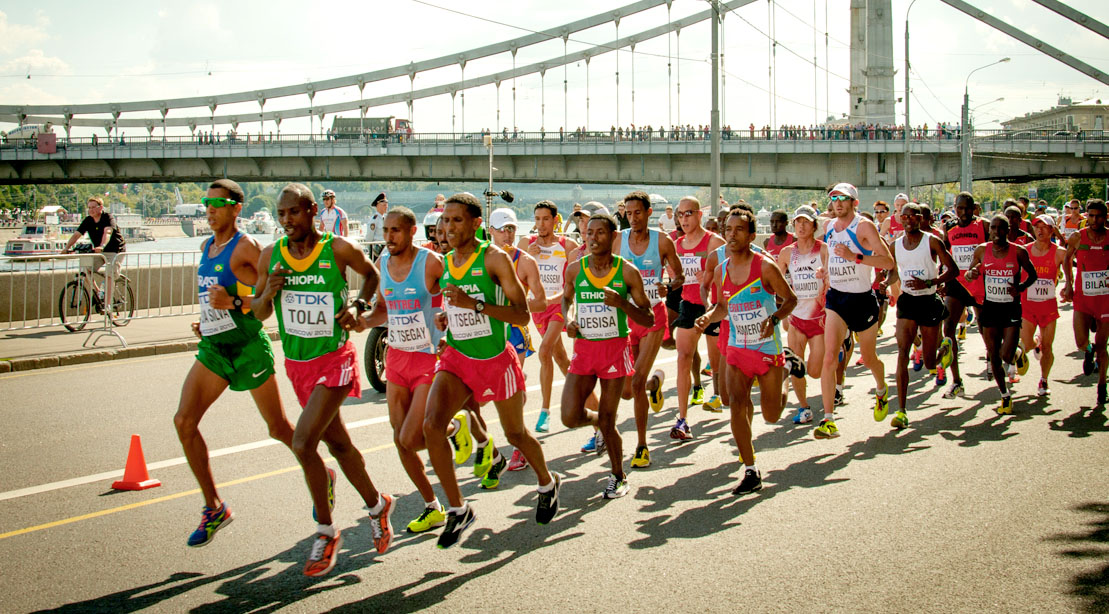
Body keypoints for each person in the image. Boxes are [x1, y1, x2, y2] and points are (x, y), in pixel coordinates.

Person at [252, 183, 393, 577]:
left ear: (312, 211)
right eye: (280, 215)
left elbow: (372, 275)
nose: (286, 221)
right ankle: (378, 505)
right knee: (341, 446)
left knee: (302, 441)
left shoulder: (337, 249)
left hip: (335, 359)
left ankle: (326, 530)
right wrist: (269, 295)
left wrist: (359, 305)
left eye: (293, 213)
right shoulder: (271, 256)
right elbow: (258, 312)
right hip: (298, 364)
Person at [425, 193, 560, 549]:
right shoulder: (446, 261)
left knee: (516, 435)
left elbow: (521, 315)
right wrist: (448, 318)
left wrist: (475, 305)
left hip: (497, 360)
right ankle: (457, 508)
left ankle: (547, 483)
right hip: (457, 357)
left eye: (457, 221)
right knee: (431, 425)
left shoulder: (494, 258)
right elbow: (454, 306)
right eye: (445, 221)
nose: (448, 228)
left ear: (475, 224)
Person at [174, 179, 296, 547]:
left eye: (217, 203)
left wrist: (233, 303)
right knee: (184, 421)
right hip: (214, 348)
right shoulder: (206, 246)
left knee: (278, 428)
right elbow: (214, 293)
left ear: (236, 207)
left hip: (247, 347)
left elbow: (263, 304)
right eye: (205, 202)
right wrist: (206, 318)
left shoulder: (248, 247)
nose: (209, 209)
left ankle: (319, 471)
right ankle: (214, 507)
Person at [356, 206, 450, 534]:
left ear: (411, 232)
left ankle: (449, 427)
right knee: (400, 440)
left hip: (427, 358)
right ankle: (432, 506)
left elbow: (455, 294)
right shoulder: (382, 263)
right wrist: (363, 321)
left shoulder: (430, 263)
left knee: (411, 437)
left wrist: (449, 329)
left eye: (395, 230)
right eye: (385, 231)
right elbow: (382, 310)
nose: (389, 237)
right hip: (397, 359)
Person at [695, 209, 797, 495]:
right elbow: (722, 307)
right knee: (735, 405)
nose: (732, 234)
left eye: (739, 230)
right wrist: (707, 317)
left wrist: (774, 319)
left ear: (752, 236)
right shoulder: (720, 270)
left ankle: (788, 370)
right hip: (738, 348)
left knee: (772, 415)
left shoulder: (765, 267)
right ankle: (750, 469)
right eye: (728, 229)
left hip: (766, 348)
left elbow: (791, 299)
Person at [560, 213, 655, 498]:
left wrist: (622, 303)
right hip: (584, 352)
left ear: (613, 237)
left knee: (609, 418)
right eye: (589, 233)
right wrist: (569, 319)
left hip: (614, 352)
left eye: (599, 233)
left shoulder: (627, 272)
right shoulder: (575, 269)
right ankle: (596, 423)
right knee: (568, 416)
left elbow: (649, 319)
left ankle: (618, 475)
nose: (592, 238)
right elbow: (567, 298)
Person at [815, 182, 895, 439]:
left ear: (854, 202)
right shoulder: (828, 226)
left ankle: (882, 390)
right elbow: (830, 255)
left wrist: (855, 257)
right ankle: (828, 419)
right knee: (830, 357)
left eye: (843, 199)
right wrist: (825, 270)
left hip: (862, 300)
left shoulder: (863, 226)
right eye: (834, 199)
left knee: (869, 358)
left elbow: (887, 261)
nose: (837, 203)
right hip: (836, 300)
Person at [613, 191, 684, 468]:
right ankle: (656, 382)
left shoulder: (662, 241)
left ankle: (642, 446)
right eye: (628, 213)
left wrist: (669, 285)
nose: (633, 218)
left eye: (638, 212)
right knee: (628, 391)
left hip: (653, 316)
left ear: (649, 212)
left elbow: (680, 275)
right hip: (626, 317)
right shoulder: (619, 240)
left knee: (635, 383)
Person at [520, 201, 593, 435]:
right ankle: (593, 409)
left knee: (544, 352)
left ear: (555, 220)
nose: (541, 224)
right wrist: (526, 259)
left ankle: (545, 412)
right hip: (538, 308)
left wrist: (555, 299)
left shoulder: (567, 245)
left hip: (559, 305)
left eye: (546, 219)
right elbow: (515, 279)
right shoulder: (525, 245)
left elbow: (572, 284)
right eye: (537, 218)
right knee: (562, 361)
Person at [882, 203, 958, 429]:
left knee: (930, 362)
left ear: (920, 218)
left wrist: (931, 282)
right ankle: (902, 411)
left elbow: (953, 270)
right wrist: (886, 281)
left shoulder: (932, 241)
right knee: (903, 353)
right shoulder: (895, 245)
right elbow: (894, 270)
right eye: (902, 216)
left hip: (928, 300)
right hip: (908, 301)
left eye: (911, 216)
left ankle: (945, 348)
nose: (906, 220)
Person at [489, 208, 547, 472]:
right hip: (486, 330)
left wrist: (517, 308)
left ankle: (518, 447)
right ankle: (483, 443)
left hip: (514, 330)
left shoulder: (524, 261)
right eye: (502, 229)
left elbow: (541, 301)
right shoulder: (481, 258)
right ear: (490, 231)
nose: (507, 233)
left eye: (511, 228)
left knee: (514, 388)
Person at [965, 214, 1037, 414]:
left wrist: (1020, 287)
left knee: (1006, 355)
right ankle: (1005, 395)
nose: (997, 232)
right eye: (993, 228)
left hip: (1011, 308)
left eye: (1001, 228)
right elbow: (970, 272)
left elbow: (1033, 275)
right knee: (994, 354)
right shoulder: (982, 250)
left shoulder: (1018, 252)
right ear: (990, 231)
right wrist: (972, 274)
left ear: (1008, 230)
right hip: (990, 307)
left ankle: (1018, 353)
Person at [671, 196, 726, 440]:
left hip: (715, 307)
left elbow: (733, 272)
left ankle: (725, 397)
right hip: (690, 305)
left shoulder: (714, 241)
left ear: (699, 215)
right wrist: (671, 283)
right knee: (683, 357)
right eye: (680, 214)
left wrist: (710, 275)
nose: (684, 219)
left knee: (717, 364)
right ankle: (682, 420)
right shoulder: (676, 244)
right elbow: (675, 277)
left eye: (689, 213)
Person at [777, 205, 829, 424]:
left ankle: (834, 362)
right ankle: (804, 407)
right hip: (797, 318)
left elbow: (833, 279)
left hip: (820, 318)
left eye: (806, 222)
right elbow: (776, 281)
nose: (801, 226)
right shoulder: (787, 252)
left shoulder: (823, 249)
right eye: (797, 222)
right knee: (797, 366)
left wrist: (825, 277)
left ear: (814, 226)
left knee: (815, 371)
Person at [941, 192, 990, 399]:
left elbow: (992, 249)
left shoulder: (984, 225)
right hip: (956, 283)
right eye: (959, 208)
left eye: (967, 208)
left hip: (979, 282)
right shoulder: (949, 227)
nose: (963, 213)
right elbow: (945, 253)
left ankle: (992, 358)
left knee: (983, 326)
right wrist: (941, 277)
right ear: (954, 208)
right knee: (948, 328)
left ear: (974, 209)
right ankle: (957, 381)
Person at [1062, 198, 1109, 405]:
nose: (1094, 220)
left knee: (1102, 346)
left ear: (1105, 217)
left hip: (1105, 300)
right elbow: (1066, 258)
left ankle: (1101, 386)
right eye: (1091, 215)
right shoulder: (1077, 237)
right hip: (1083, 298)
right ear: (1086, 216)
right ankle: (1087, 352)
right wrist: (1069, 284)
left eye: (1099, 216)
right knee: (1081, 341)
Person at [1021, 214, 1065, 397]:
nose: (1040, 230)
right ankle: (1035, 343)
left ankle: (1044, 379)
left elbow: (1071, 273)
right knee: (1027, 344)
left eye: (1044, 227)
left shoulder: (1060, 252)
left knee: (1048, 348)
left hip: (1048, 307)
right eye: (1037, 226)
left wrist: (1069, 288)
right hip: (1028, 306)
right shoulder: (1023, 251)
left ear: (1052, 230)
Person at [63, 196, 127, 307]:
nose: (91, 210)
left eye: (93, 207)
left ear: (100, 207)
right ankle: (99, 293)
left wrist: (102, 245)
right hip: (100, 252)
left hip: (115, 250)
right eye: (89, 208)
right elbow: (76, 235)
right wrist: (66, 248)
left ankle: (108, 306)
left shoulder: (108, 217)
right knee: (86, 269)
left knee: (109, 274)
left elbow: (107, 232)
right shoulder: (88, 220)